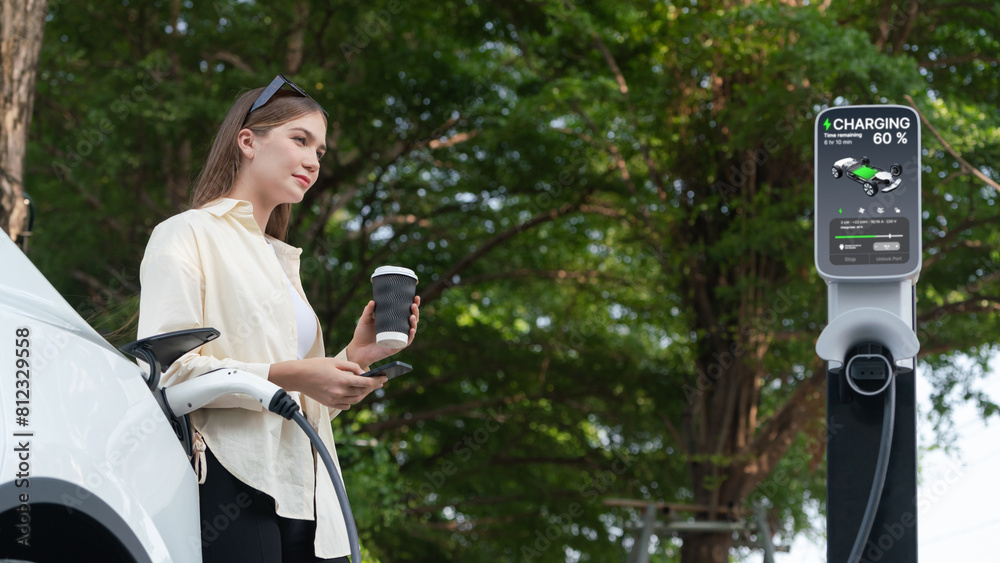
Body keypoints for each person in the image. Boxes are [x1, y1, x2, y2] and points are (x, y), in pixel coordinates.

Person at [136, 74, 420, 563]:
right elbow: (168, 374)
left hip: (311, 495)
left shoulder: (281, 261)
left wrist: (354, 359)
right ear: (248, 141)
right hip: (230, 481)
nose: (312, 160)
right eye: (300, 140)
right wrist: (292, 375)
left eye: (321, 151)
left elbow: (298, 406)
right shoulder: (185, 235)